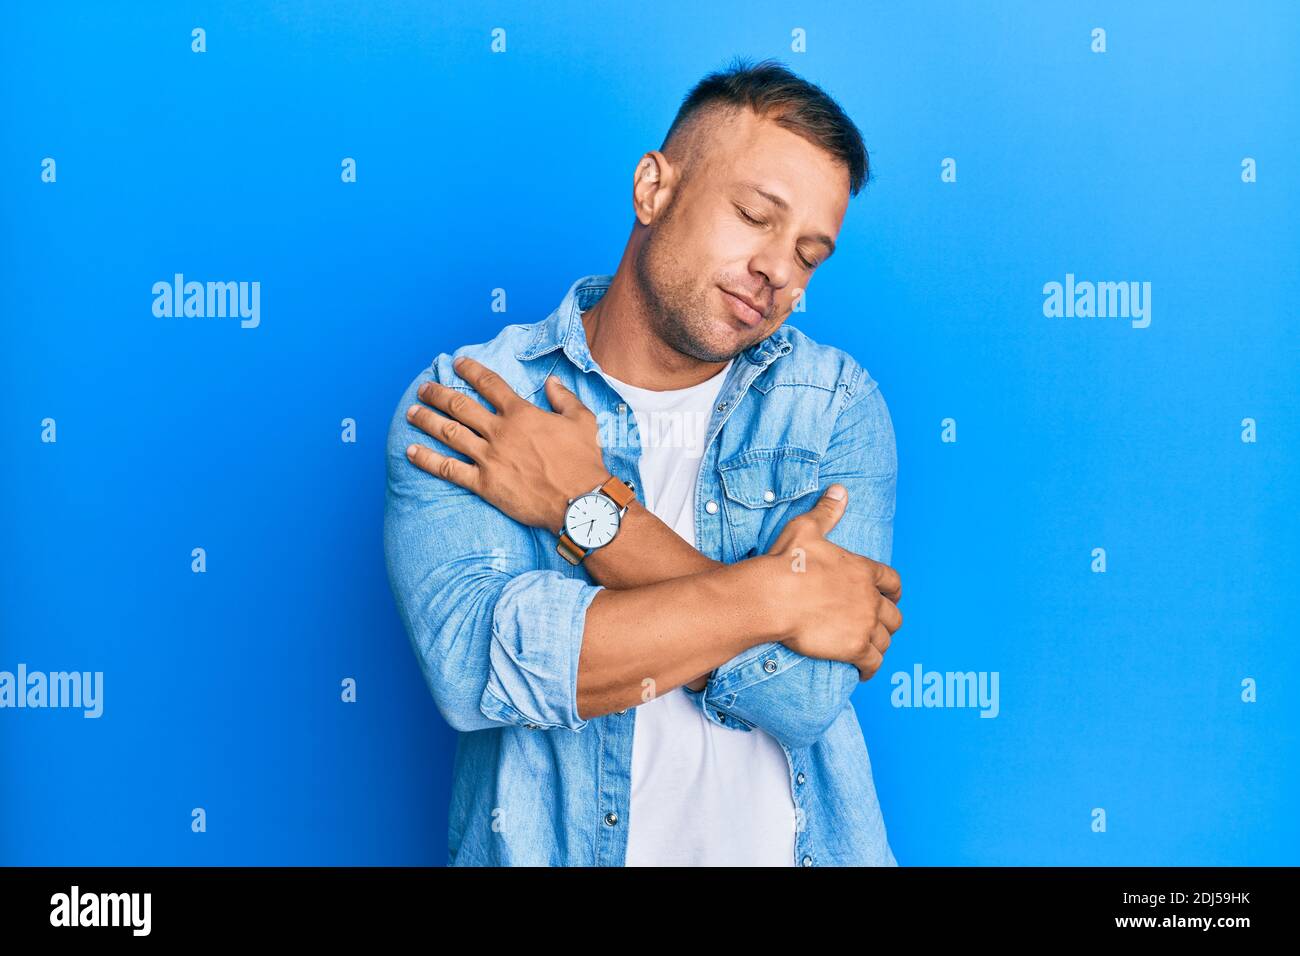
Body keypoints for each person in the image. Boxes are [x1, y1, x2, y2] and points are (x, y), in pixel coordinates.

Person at [384, 56, 903, 866]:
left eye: (808, 253)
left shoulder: (833, 404)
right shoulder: (478, 402)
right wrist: (777, 595)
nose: (777, 270)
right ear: (653, 189)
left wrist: (584, 507)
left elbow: (805, 697)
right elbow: (476, 669)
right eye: (754, 216)